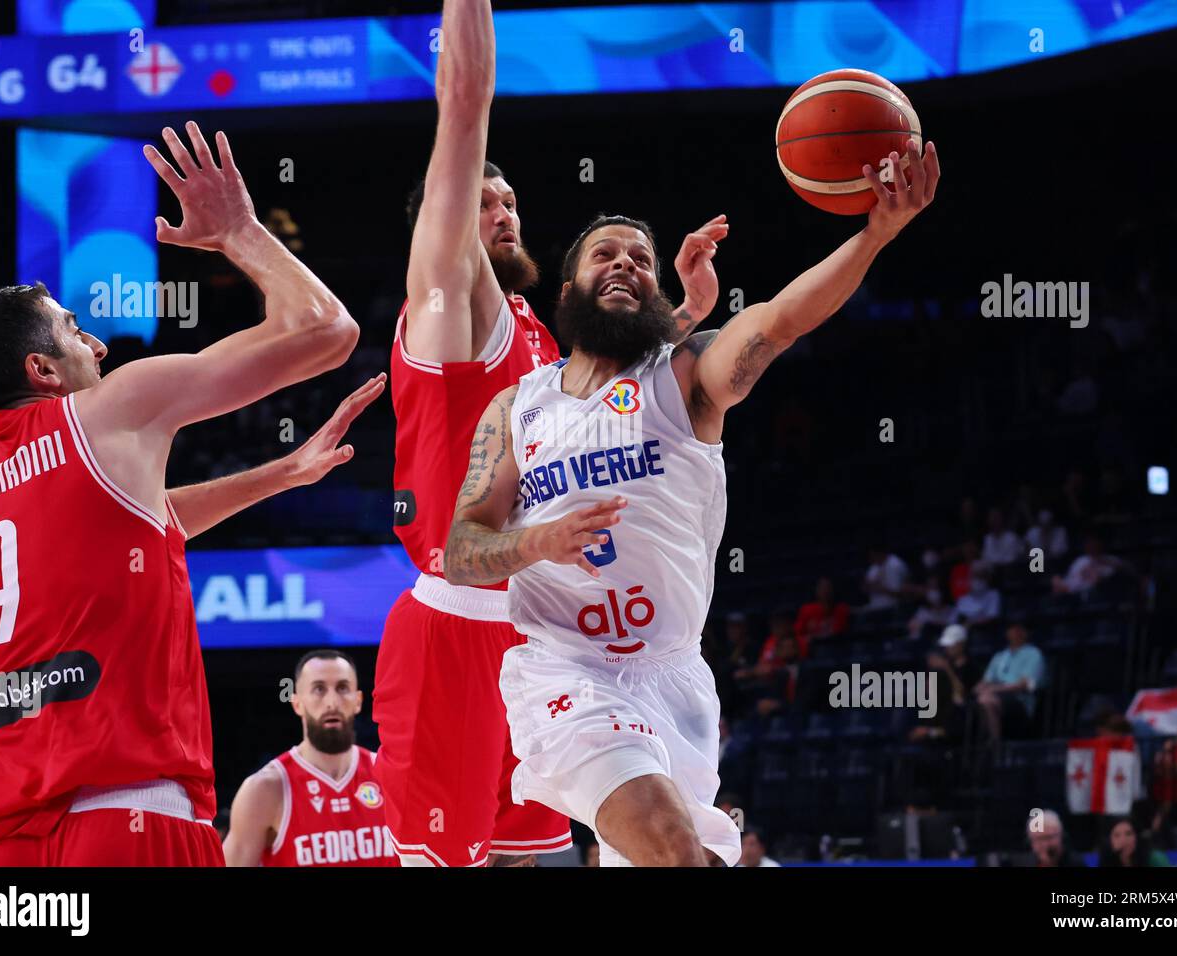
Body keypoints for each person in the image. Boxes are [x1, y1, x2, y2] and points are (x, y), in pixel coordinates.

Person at [443, 97, 940, 865]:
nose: (625, 265)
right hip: (562, 669)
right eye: (605, 254)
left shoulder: (684, 377)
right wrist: (539, 540)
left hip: (674, 678)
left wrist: (876, 232)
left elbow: (777, 321)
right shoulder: (518, 407)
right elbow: (462, 548)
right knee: (676, 848)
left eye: (641, 260)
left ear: (657, 294)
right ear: (569, 291)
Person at [0, 124, 367, 865]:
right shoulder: (110, 408)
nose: (99, 345)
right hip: (125, 814)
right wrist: (242, 231)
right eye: (75, 331)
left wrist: (277, 475)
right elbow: (328, 331)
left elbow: (134, 522)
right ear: (41, 369)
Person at [372, 0, 725, 868]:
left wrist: (681, 318)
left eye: (512, 198)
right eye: (481, 199)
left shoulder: (540, 334)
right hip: (458, 620)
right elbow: (463, 104)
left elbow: (607, 399)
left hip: (550, 634)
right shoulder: (451, 307)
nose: (503, 210)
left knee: (545, 857)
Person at [224, 651, 398, 867]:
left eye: (343, 688)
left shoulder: (389, 776)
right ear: (297, 703)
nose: (332, 702)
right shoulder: (266, 789)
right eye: (319, 689)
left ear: (358, 701)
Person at [974, 622, 1046, 743]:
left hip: (1020, 702)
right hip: (996, 695)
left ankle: (994, 743)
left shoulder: (1033, 654)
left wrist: (994, 689)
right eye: (1012, 629)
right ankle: (979, 743)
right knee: (982, 698)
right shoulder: (1000, 656)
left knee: (986, 700)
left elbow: (1023, 685)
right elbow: (986, 681)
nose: (1015, 633)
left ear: (1026, 633)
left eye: (1019, 629)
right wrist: (979, 687)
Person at [794, 576, 849, 650]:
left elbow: (838, 633)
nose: (825, 591)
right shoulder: (806, 609)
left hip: (835, 648)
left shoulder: (841, 609)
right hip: (812, 649)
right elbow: (797, 633)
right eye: (822, 587)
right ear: (816, 590)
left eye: (828, 587)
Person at [1096, 816, 1170, 867]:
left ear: (1137, 837)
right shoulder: (1106, 861)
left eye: (1128, 834)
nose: (1123, 840)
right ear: (1109, 841)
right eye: (1117, 835)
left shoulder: (1155, 859)